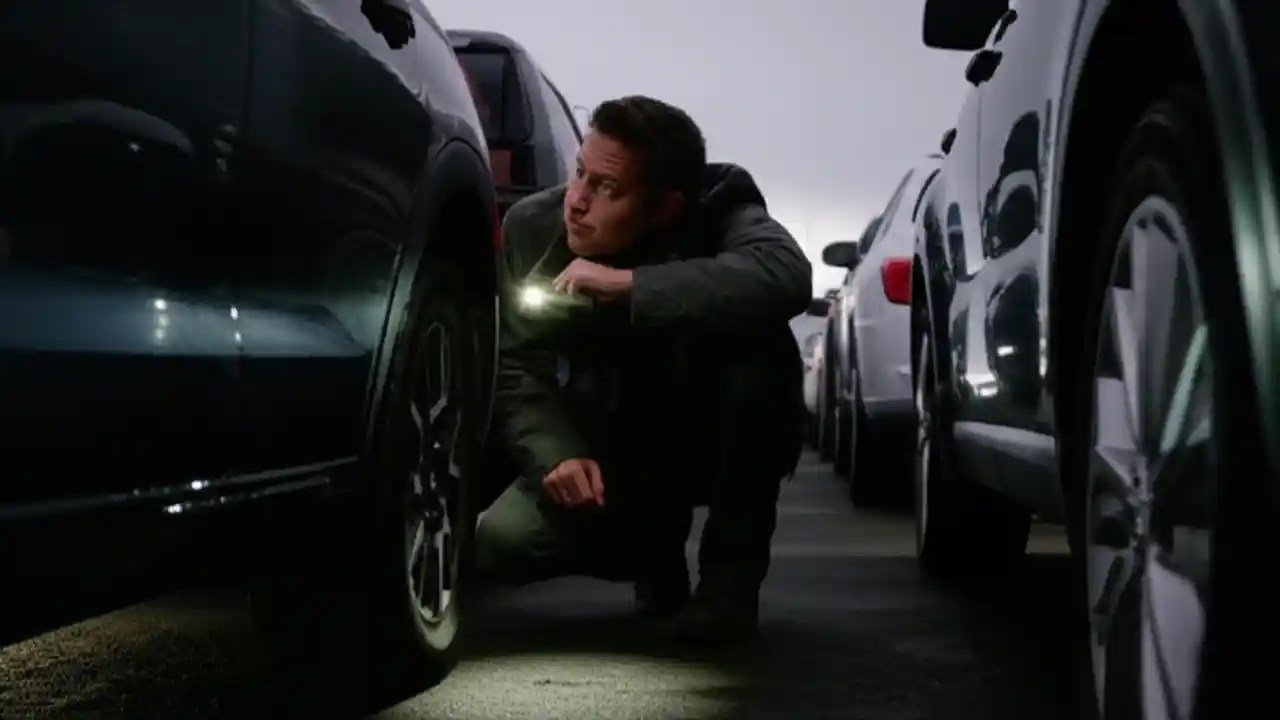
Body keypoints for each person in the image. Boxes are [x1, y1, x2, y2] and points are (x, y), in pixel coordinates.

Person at [475, 95, 811, 643]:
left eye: (607, 189)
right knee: (502, 544)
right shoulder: (534, 226)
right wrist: (553, 451)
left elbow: (785, 275)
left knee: (762, 348)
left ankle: (729, 582)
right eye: (579, 173)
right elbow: (516, 363)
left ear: (665, 207)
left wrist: (631, 287)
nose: (577, 202)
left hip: (698, 431)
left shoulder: (720, 202)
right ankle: (652, 553)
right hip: (606, 444)